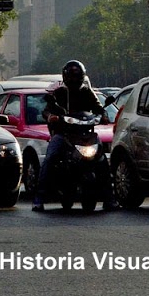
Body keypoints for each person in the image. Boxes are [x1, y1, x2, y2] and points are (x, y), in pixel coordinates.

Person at [35, 60, 113, 212]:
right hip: (64, 134)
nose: (74, 79)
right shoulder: (59, 93)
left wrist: (103, 115)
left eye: (77, 76)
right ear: (65, 77)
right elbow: (46, 110)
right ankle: (39, 198)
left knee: (102, 159)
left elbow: (98, 108)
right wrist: (51, 116)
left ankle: (110, 198)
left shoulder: (87, 92)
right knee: (50, 157)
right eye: (71, 76)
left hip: (85, 134)